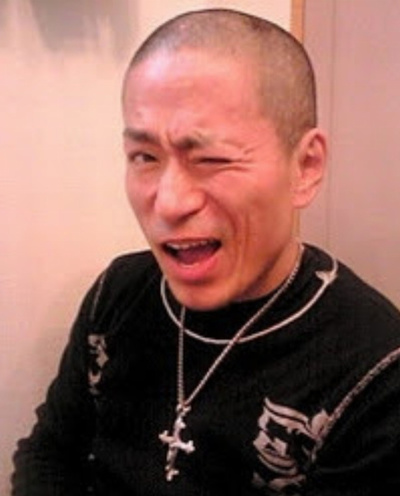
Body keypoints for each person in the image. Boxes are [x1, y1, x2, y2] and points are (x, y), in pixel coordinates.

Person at [11, 8, 400, 496]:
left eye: (211, 159)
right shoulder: (117, 292)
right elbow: (51, 452)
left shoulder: (377, 370)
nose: (169, 202)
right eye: (145, 157)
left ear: (305, 166)